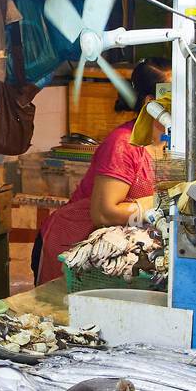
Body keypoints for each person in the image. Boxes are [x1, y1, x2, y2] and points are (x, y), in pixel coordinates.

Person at [32, 59, 171, 285]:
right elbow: (104, 214)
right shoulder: (124, 144)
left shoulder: (172, 145)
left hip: (118, 250)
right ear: (152, 103)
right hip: (73, 245)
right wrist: (157, 204)